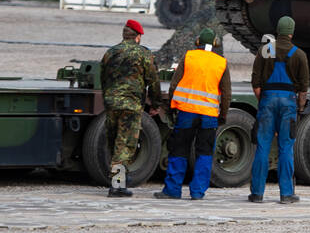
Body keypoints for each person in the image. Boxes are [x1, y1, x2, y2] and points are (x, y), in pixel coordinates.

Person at [153, 28, 231, 200]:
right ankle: (197, 192)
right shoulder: (221, 63)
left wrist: (172, 107)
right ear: (215, 44)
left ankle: (172, 190)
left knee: (179, 149)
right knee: (204, 153)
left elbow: (174, 85)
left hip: (186, 113)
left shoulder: (188, 57)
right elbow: (226, 93)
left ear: (198, 42)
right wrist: (223, 115)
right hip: (209, 116)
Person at [249, 16, 309, 204]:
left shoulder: (265, 50)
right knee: (285, 148)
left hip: (267, 100)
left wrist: (264, 101)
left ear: (278, 31)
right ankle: (286, 194)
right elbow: (303, 88)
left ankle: (257, 194)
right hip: (288, 103)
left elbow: (256, 83)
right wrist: (299, 108)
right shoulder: (299, 54)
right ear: (291, 32)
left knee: (262, 146)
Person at [99, 19, 160, 198]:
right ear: (138, 36)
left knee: (114, 141)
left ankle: (119, 179)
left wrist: (108, 98)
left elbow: (103, 79)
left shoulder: (110, 53)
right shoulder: (143, 54)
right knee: (124, 144)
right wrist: (156, 104)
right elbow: (153, 82)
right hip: (131, 105)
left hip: (111, 102)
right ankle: (117, 186)